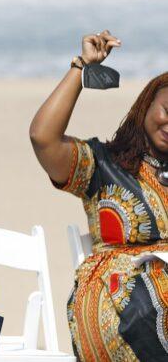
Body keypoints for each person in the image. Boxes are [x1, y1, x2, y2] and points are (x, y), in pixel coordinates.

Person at [29, 31, 168, 361]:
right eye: (167, 109)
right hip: (117, 299)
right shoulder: (102, 163)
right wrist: (82, 67)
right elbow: (42, 137)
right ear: (147, 104)